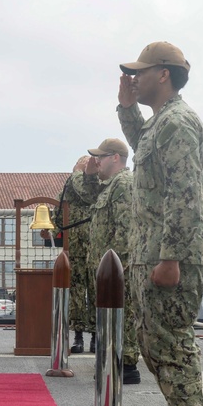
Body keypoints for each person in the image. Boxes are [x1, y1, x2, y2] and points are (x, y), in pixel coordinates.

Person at [117, 42, 203, 406]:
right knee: (154, 340)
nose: (133, 78)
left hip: (171, 253)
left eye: (141, 72)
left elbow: (185, 193)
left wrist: (170, 257)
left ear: (164, 74)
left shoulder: (178, 122)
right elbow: (143, 148)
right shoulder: (160, 124)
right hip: (153, 249)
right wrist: (125, 107)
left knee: (171, 341)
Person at [71, 139, 140, 384]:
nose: (96, 161)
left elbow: (126, 229)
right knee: (112, 315)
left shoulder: (124, 184)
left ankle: (126, 365)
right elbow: (89, 195)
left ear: (115, 158)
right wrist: (86, 176)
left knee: (124, 313)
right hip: (106, 267)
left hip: (118, 267)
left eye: (101, 157)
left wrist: (117, 268)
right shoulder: (110, 185)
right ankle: (114, 361)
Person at [52, 156, 97, 354]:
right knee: (77, 295)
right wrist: (50, 231)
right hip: (75, 251)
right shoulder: (69, 189)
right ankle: (78, 336)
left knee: (97, 293)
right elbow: (59, 215)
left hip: (97, 250)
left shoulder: (99, 186)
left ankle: (97, 336)